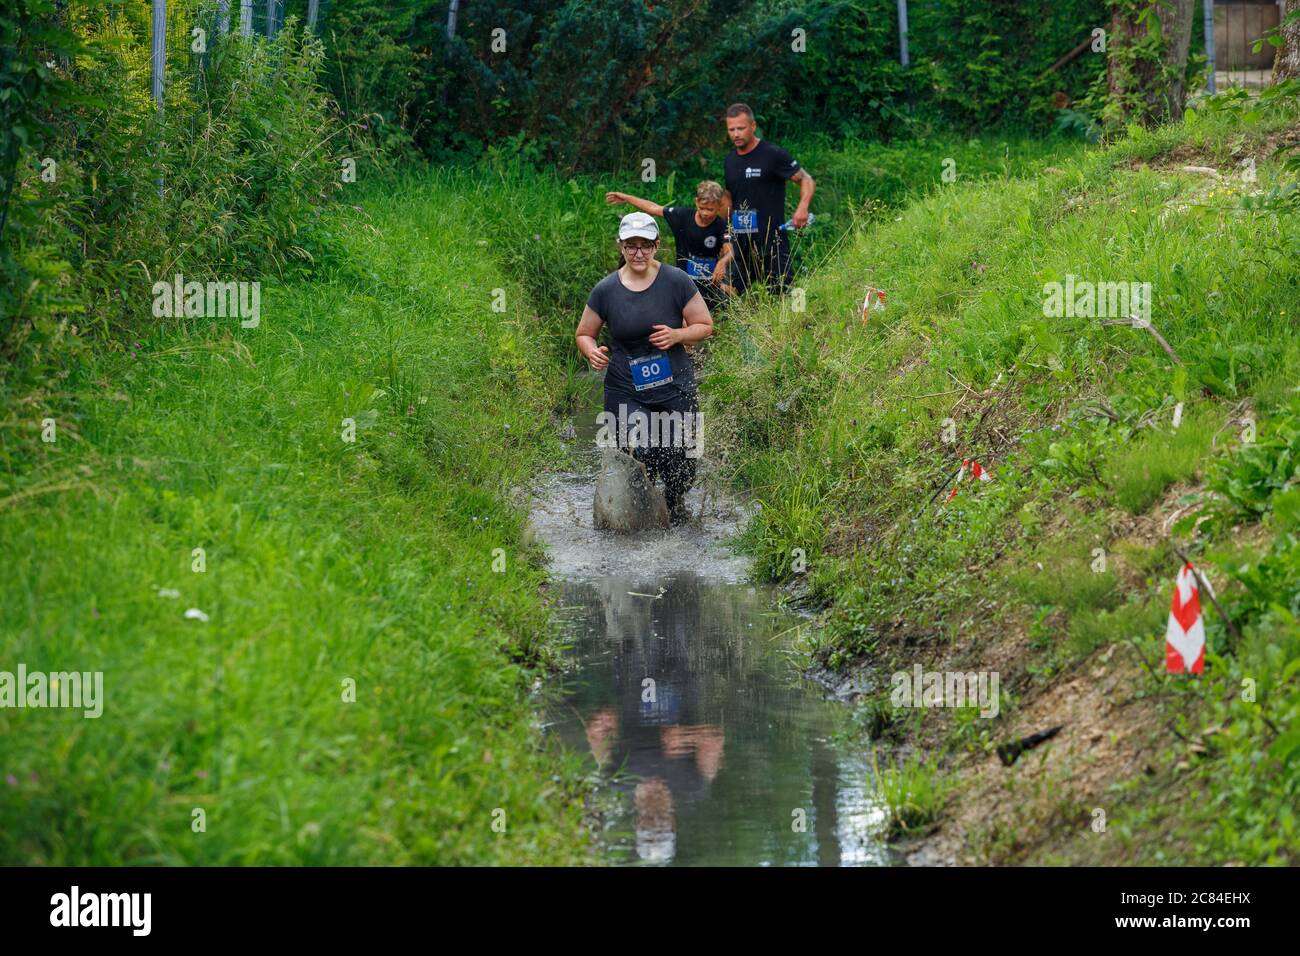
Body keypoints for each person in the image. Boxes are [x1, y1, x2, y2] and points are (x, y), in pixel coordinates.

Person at [575, 212, 714, 524]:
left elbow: (705, 325)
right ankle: (641, 521)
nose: (638, 253)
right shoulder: (606, 289)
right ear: (621, 247)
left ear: (657, 246)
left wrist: (678, 334)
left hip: (674, 383)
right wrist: (592, 351)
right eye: (631, 246)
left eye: (645, 246)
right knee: (643, 452)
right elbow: (584, 333)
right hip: (626, 387)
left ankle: (674, 505)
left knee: (682, 460)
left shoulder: (676, 280)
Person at [720, 103, 815, 295]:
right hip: (741, 240)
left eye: (741, 128)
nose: (736, 134)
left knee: (783, 295)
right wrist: (725, 233)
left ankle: (797, 324)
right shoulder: (730, 161)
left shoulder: (773, 154)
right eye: (731, 129)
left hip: (772, 241)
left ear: (753, 126)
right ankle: (735, 324)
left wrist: (802, 208)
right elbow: (729, 199)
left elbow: (806, 180)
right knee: (724, 293)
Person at [605, 181, 735, 311]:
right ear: (696, 202)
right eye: (702, 208)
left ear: (719, 205)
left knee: (711, 321)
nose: (705, 213)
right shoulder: (683, 217)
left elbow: (729, 251)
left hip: (709, 285)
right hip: (684, 283)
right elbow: (653, 208)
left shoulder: (722, 226)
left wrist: (723, 262)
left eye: (710, 209)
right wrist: (627, 198)